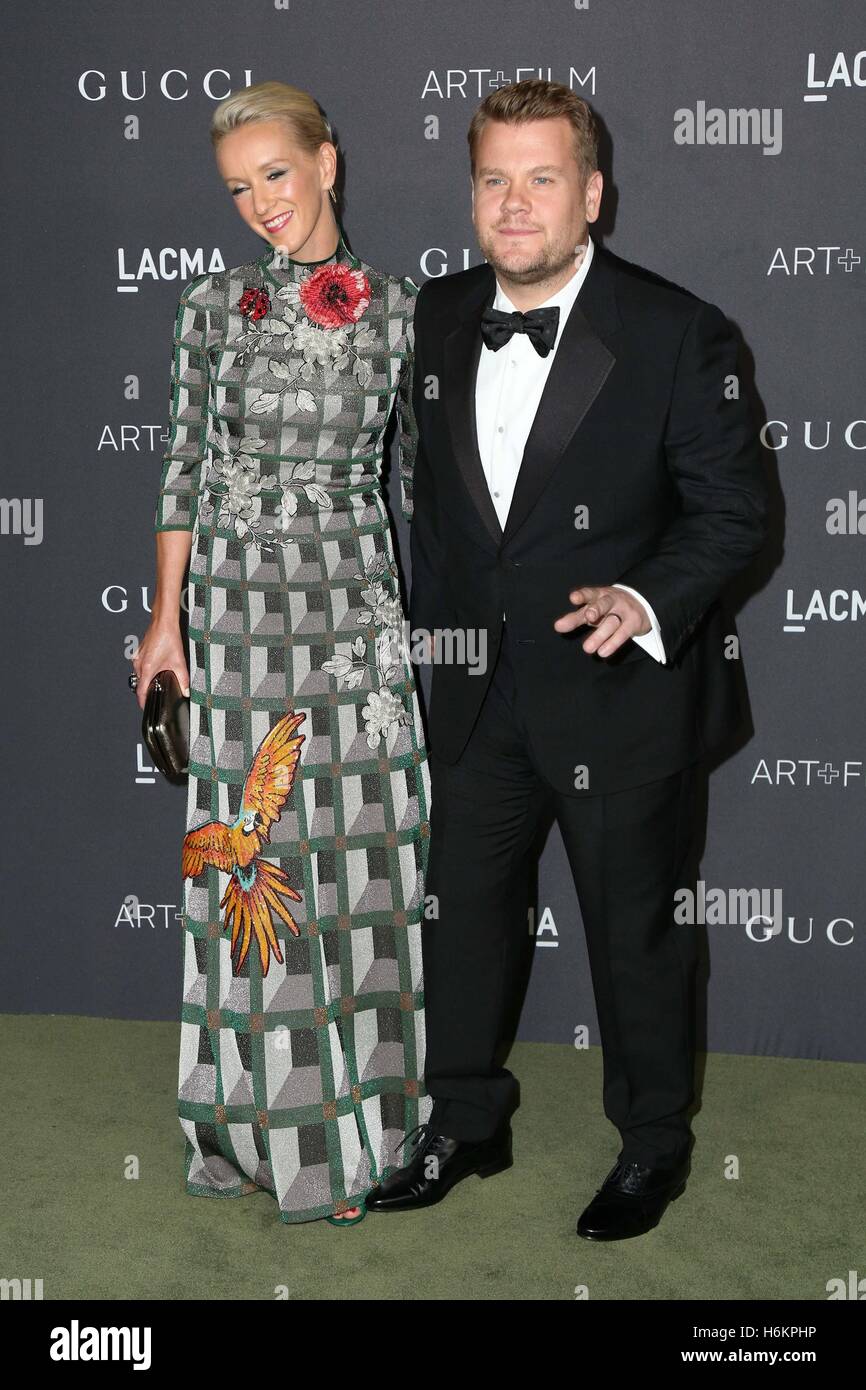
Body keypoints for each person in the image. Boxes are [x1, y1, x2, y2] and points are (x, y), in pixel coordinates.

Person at [364, 79, 769, 1239]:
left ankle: (651, 1146)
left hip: (619, 694)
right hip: (476, 699)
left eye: (542, 178)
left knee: (633, 932)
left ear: (591, 193)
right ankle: (463, 1120)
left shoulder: (678, 331)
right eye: (494, 178)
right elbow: (433, 511)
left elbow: (732, 512)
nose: (515, 203)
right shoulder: (436, 316)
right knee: (462, 918)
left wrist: (645, 594)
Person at [132, 80, 432, 1226]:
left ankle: (360, 1141)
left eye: (275, 173)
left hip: (351, 614)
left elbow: (426, 486)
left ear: (327, 162)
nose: (259, 202)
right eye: (237, 186)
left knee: (361, 871)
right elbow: (182, 469)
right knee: (254, 867)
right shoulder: (210, 305)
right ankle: (254, 1129)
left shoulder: (401, 310)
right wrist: (167, 620)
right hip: (241, 616)